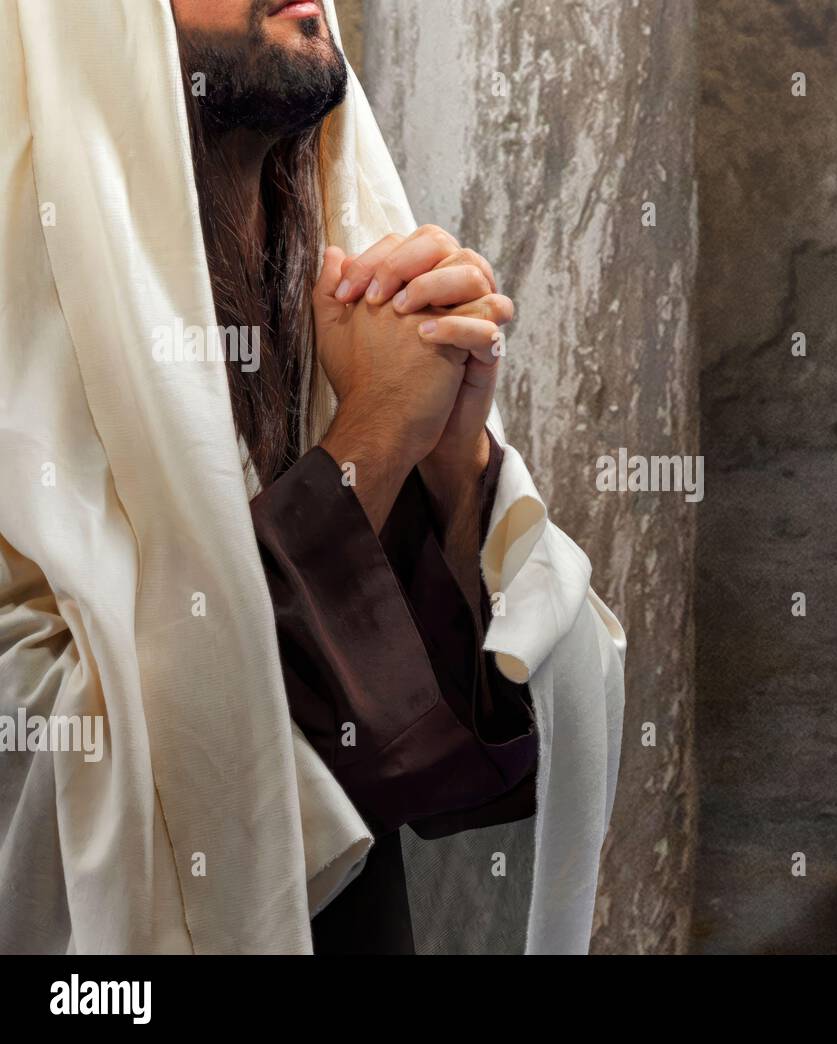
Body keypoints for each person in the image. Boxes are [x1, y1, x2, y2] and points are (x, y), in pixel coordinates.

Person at [0, 0, 626, 954]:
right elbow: (66, 791)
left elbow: (474, 738)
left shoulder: (310, 272)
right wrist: (370, 440)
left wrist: (453, 477)